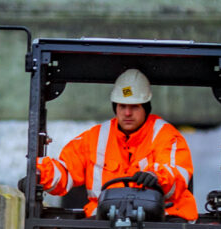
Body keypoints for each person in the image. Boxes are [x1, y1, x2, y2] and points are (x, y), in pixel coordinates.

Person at [35, 68, 197, 220]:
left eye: (134, 107)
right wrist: (39, 175)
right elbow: (65, 170)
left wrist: (155, 177)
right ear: (115, 107)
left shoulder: (166, 136)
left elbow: (176, 173)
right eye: (122, 106)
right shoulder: (95, 138)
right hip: (104, 219)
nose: (127, 113)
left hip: (162, 217)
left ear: (146, 108)